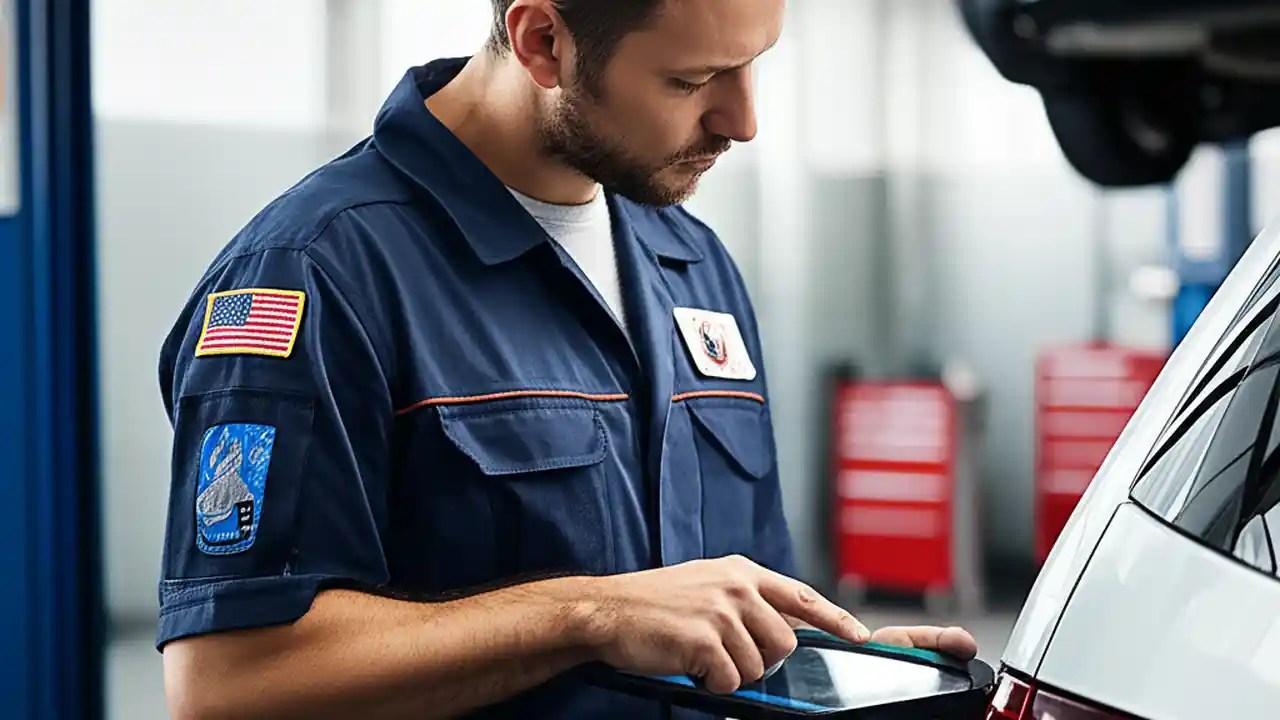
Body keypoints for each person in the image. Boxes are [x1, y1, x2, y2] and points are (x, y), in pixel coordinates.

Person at [156, 1, 978, 718]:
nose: (744, 120)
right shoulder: (317, 273)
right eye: (693, 81)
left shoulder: (693, 264)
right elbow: (230, 681)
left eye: (755, 63)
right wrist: (586, 615)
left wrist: (827, 669)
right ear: (544, 41)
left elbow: (716, 617)